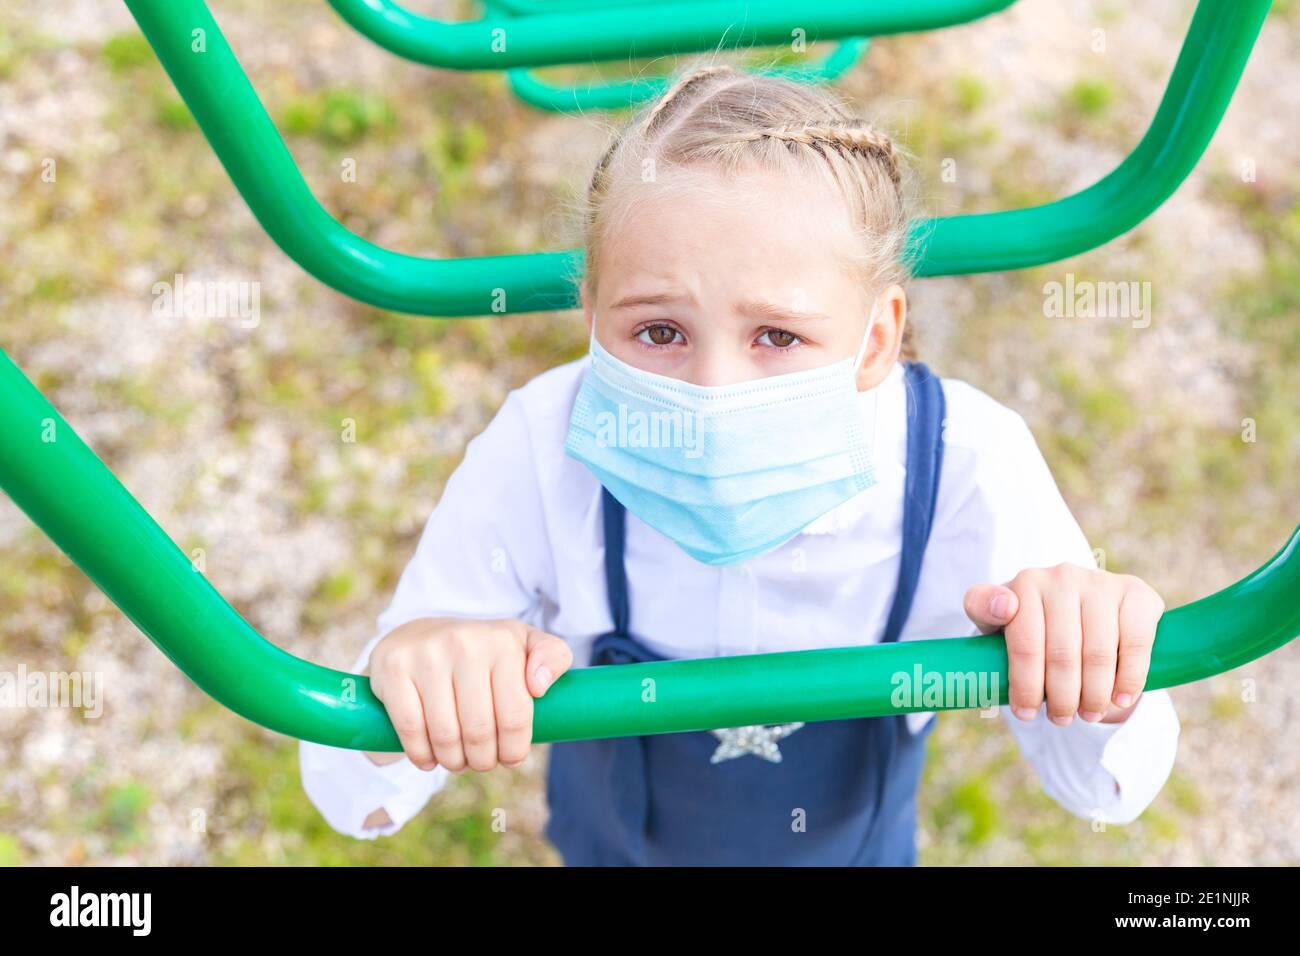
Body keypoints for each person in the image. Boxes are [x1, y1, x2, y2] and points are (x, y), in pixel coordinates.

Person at [300, 64, 1179, 865]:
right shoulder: (542, 448)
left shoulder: (962, 468)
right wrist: (417, 674)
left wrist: (1096, 661)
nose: (713, 392)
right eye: (658, 332)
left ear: (877, 339)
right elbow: (352, 790)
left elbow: (1107, 785)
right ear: (590, 315)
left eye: (778, 336)